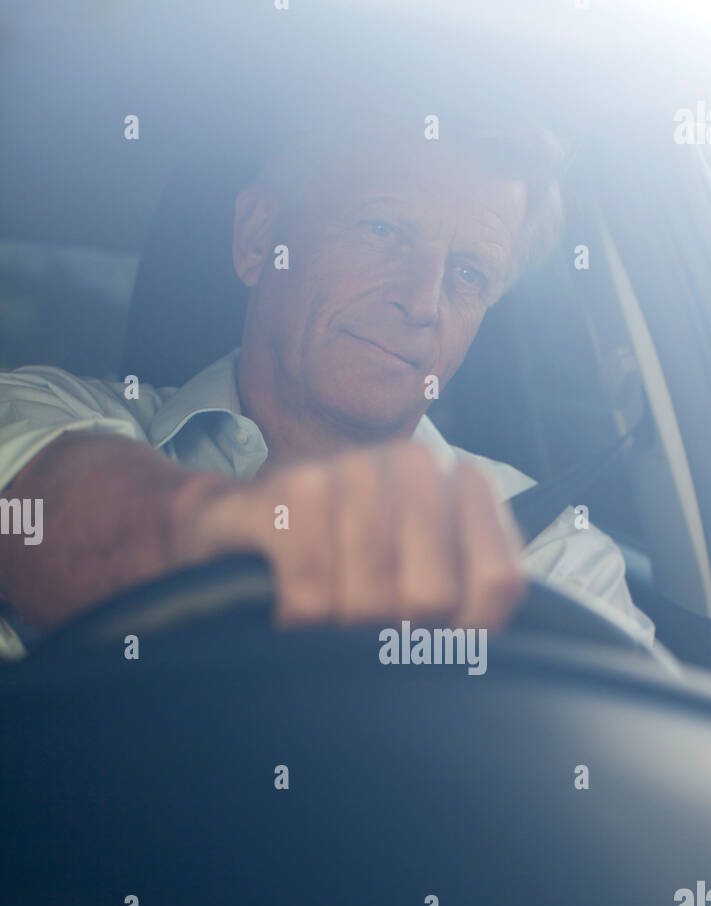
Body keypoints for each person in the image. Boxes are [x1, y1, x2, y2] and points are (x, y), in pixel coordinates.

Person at [0, 106, 655, 659]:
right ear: (259, 237)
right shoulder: (44, 409)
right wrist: (248, 535)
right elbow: (43, 512)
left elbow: (627, 777)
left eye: (468, 274)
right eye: (384, 231)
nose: (423, 301)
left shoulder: (552, 555)